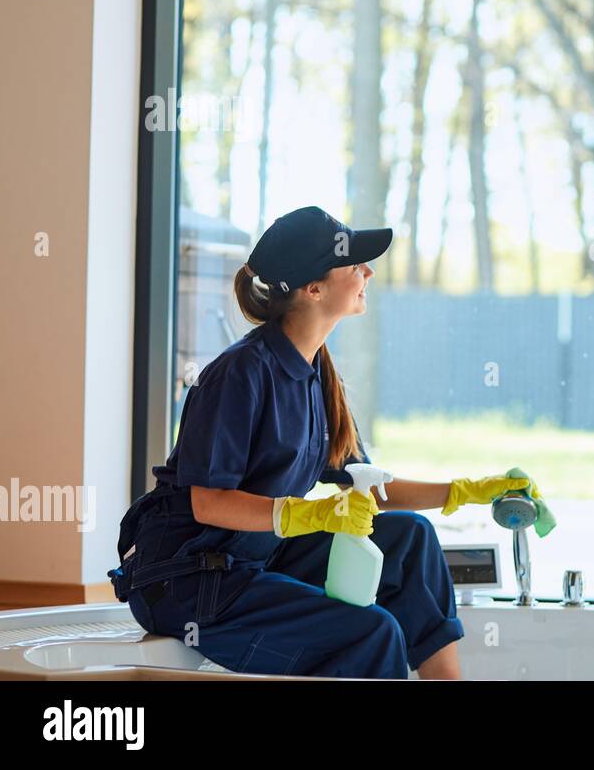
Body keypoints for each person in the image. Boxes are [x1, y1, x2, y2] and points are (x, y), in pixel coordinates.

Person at [108, 205, 544, 678]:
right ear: (312, 288)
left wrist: (468, 491)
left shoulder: (317, 372)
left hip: (258, 557)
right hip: (187, 581)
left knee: (412, 539)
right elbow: (208, 503)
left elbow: (367, 488)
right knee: (371, 631)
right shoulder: (240, 375)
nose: (368, 272)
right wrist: (307, 514)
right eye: (354, 264)